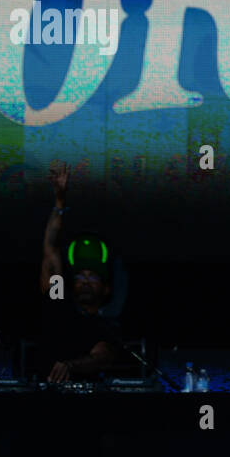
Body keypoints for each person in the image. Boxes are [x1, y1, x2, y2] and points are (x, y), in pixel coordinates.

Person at [37, 161, 135, 383]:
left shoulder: (107, 325)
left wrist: (70, 366)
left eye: (93, 276)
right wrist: (59, 202)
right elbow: (50, 248)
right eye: (81, 276)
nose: (85, 281)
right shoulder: (58, 300)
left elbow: (101, 356)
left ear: (107, 288)